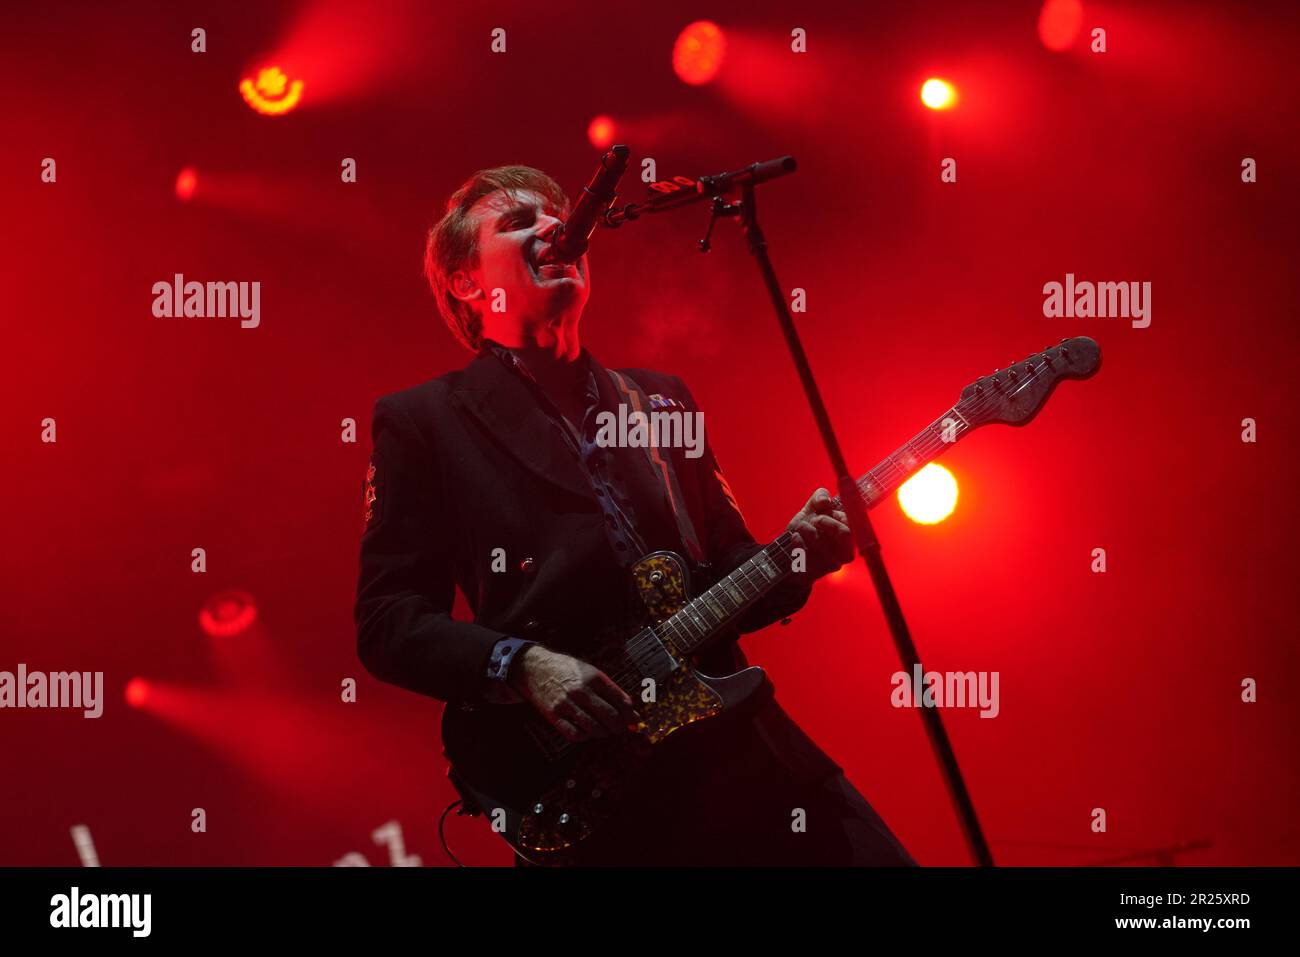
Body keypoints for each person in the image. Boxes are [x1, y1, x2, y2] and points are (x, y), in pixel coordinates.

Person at [354, 164, 915, 866]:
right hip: (594, 780)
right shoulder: (426, 422)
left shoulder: (661, 401)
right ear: (468, 283)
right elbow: (389, 620)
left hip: (739, 744)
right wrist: (523, 664)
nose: (555, 228)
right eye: (517, 223)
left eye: (556, 217)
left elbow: (727, 569)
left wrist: (799, 554)